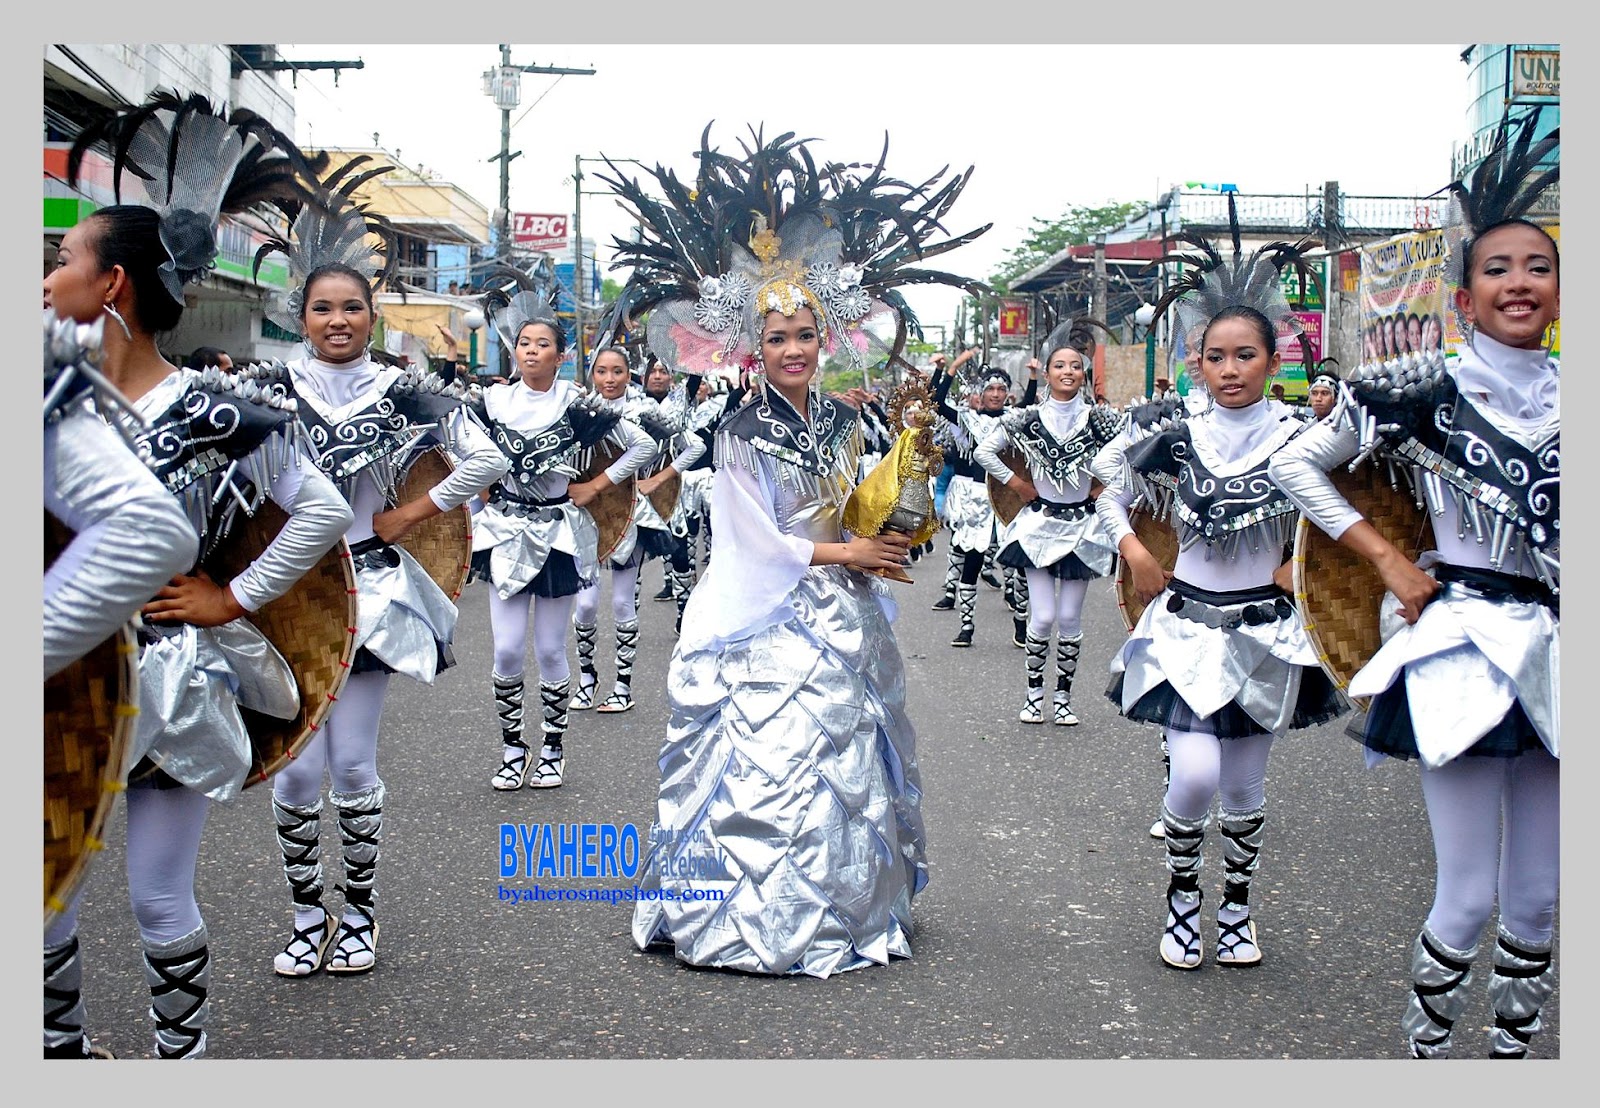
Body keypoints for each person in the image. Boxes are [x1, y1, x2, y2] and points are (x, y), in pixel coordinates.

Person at [601, 126, 987, 975]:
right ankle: (737, 919)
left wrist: (911, 471)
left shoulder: (851, 420)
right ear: (755, 348)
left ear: (825, 340)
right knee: (765, 755)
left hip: (842, 610)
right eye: (777, 340)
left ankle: (843, 912)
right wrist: (849, 555)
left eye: (806, 335)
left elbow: (870, 507)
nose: (794, 350)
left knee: (842, 755)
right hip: (770, 612)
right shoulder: (738, 429)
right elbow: (751, 540)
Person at [46, 91, 354, 1058]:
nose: (46, 277)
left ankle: (182, 1065)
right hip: (57, 674)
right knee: (45, 892)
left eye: (63, 260)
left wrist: (235, 597)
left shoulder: (221, 413)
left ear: (115, 287)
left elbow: (325, 510)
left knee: (153, 892)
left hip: (170, 678)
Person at [1268, 114, 1559, 1059]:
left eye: (1538, 267)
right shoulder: (1418, 390)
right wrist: (1391, 562)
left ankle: (1514, 1063)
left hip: (1558, 650)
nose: (1520, 283)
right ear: (1467, 297)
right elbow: (1303, 467)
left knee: (1542, 897)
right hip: (1462, 648)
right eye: (1499, 269)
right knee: (1469, 893)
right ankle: (1429, 1061)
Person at [244, 163, 511, 979]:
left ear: (371, 315)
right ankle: (303, 916)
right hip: (284, 597)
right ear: (302, 314)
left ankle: (356, 917)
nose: (337, 320)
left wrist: (408, 515)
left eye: (352, 307)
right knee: (292, 767)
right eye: (322, 308)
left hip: (369, 590)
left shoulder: (402, 390)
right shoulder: (264, 388)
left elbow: (484, 457)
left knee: (351, 762)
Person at [1092, 218, 1346, 972]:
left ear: (1273, 361)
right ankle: (1180, 900)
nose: (1230, 369)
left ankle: (1235, 910)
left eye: (1246, 355)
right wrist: (1134, 548)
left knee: (1244, 784)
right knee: (1195, 774)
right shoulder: (1175, 433)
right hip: (1184, 625)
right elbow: (1110, 483)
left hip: (1267, 630)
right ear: (1195, 363)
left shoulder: (1303, 435)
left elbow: (1352, 505)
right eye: (1216, 357)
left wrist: (1301, 566)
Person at [470, 271, 652, 785]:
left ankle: (552, 745)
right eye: (524, 343)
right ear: (514, 349)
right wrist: (480, 498)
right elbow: (461, 453)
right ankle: (511, 747)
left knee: (550, 647)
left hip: (555, 535)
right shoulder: (493, 402)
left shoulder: (577, 403)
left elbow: (640, 446)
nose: (532, 352)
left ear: (560, 352)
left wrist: (595, 488)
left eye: (543, 344)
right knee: (505, 649)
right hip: (504, 533)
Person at [975, 320, 1122, 726]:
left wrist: (1104, 486)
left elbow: (1132, 453)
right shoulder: (1027, 418)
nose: (1068, 372)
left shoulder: (1101, 420)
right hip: (1038, 526)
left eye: (1075, 366)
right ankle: (1033, 695)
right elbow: (986, 452)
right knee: (1041, 617)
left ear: (1084, 373)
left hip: (1082, 528)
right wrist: (1018, 483)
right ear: (1046, 373)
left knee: (1071, 618)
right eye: (1060, 366)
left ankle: (1064, 699)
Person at [568, 344, 688, 713]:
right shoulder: (576, 410)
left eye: (617, 371)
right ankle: (587, 679)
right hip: (584, 516)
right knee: (585, 604)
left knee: (622, 600)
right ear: (592, 373)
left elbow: (690, 446)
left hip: (629, 514)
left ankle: (623, 685)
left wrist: (658, 480)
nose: (609, 379)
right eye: (601, 371)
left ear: (628, 373)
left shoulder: (644, 409)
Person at [930, 356, 1011, 646]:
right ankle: (966, 626)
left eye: (1001, 389)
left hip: (1008, 499)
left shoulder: (1016, 421)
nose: (995, 394)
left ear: (1007, 394)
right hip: (976, 499)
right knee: (971, 562)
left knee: (1016, 565)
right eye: (990, 389)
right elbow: (936, 401)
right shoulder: (970, 421)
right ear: (982, 393)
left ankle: (1022, 623)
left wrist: (1036, 377)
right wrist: (948, 369)